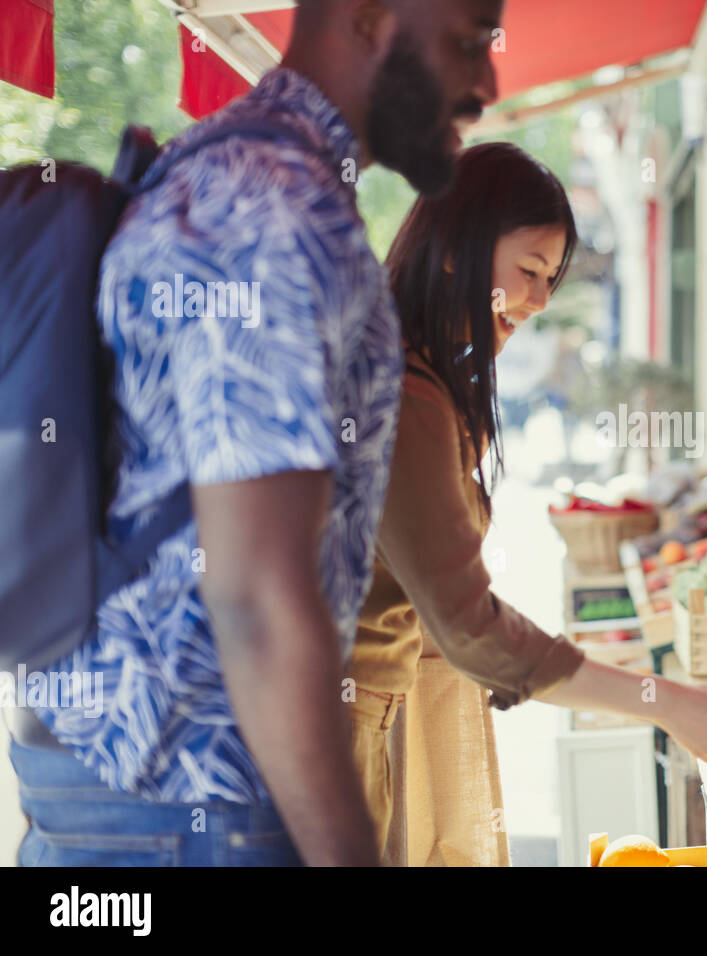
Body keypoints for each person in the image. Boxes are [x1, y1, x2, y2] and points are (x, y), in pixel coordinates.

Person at [7, 0, 502, 867]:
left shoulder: (227, 169)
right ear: (370, 17)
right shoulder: (273, 211)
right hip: (190, 801)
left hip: (118, 779)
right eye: (468, 41)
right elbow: (258, 597)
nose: (485, 84)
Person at [349, 142, 707, 864]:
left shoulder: (414, 376)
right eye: (529, 271)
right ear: (456, 247)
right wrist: (665, 701)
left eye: (550, 279)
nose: (541, 301)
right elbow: (470, 628)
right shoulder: (403, 391)